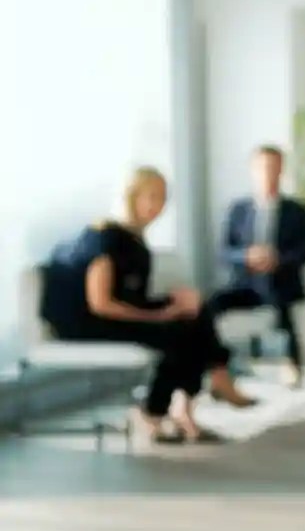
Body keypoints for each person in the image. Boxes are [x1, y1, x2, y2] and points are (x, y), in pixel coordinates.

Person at [40, 167, 254, 445]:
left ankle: (185, 408)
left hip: (114, 314)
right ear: (132, 196)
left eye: (163, 198)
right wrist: (160, 314)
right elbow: (100, 303)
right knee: (176, 333)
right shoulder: (105, 238)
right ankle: (154, 412)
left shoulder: (135, 241)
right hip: (84, 324)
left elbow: (130, 296)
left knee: (195, 310)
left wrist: (175, 302)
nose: (157, 205)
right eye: (150, 196)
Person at [209, 145, 305, 389]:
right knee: (210, 305)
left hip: (281, 281)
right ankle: (218, 366)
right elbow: (224, 252)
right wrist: (246, 256)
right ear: (253, 171)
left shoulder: (297, 211)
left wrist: (276, 259)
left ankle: (291, 363)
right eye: (263, 167)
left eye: (274, 167)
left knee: (280, 303)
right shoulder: (238, 210)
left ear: (282, 171)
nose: (268, 173)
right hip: (245, 283)